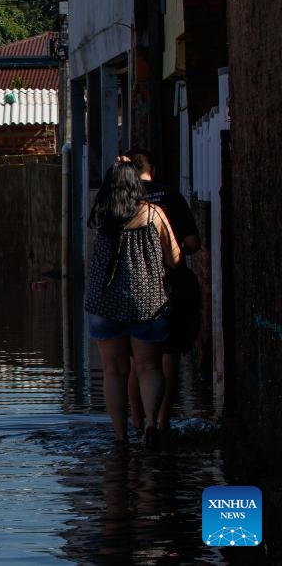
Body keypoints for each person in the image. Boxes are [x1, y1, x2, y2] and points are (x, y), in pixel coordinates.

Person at [85, 161, 181, 446]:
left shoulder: (102, 217)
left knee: (113, 370)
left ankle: (120, 435)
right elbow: (174, 258)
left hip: (105, 303)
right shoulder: (153, 214)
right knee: (149, 367)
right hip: (147, 302)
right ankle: (151, 422)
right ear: (136, 185)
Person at [125, 148, 202, 433]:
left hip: (134, 286)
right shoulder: (169, 197)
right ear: (152, 170)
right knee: (169, 355)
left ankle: (136, 422)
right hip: (172, 283)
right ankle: (161, 422)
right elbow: (193, 243)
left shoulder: (123, 201)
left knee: (139, 360)